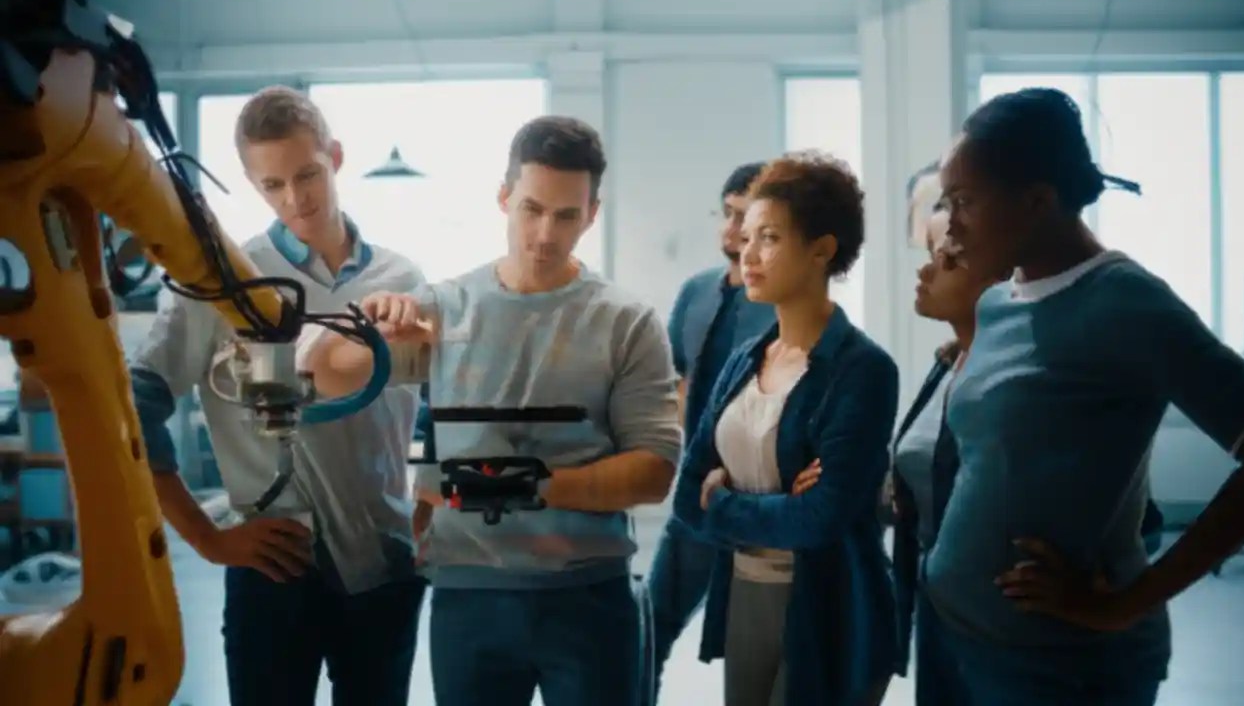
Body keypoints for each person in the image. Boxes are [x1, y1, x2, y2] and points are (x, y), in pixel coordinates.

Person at [302, 115, 682, 706]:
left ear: (592, 213)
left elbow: (654, 472)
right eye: (532, 209)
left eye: (566, 215)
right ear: (504, 197)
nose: (545, 234)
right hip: (470, 598)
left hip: (588, 598)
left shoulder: (626, 322)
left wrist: (517, 485)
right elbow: (326, 374)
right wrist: (368, 323)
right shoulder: (445, 308)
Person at [927, 87, 1244, 705]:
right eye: (944, 201)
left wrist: (1126, 604)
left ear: (1038, 201)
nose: (948, 224)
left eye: (964, 201)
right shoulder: (997, 300)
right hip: (958, 637)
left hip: (1060, 666)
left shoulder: (1126, 302)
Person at [128, 86, 428, 706]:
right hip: (272, 565)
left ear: (335, 157)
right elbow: (135, 404)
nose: (296, 198)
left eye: (308, 174)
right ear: (251, 183)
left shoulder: (401, 279)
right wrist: (206, 538)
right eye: (273, 184)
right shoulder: (222, 278)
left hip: (383, 564)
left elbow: (446, 399)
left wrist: (429, 514)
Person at [672, 151, 899, 706]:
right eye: (746, 236)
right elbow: (686, 499)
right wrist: (773, 506)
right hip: (746, 594)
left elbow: (820, 519)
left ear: (822, 249)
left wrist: (724, 500)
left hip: (830, 607)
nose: (746, 253)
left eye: (769, 238)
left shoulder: (862, 369)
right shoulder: (744, 360)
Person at [645, 161, 777, 695]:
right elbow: (678, 381)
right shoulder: (696, 293)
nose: (732, 230)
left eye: (747, 219)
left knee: (755, 659)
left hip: (762, 508)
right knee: (649, 629)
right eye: (728, 214)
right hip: (695, 500)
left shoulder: (784, 304)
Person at [888, 162, 1006, 705]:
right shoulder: (947, 362)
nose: (928, 265)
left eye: (950, 259)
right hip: (938, 611)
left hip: (997, 627)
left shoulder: (1014, 379)